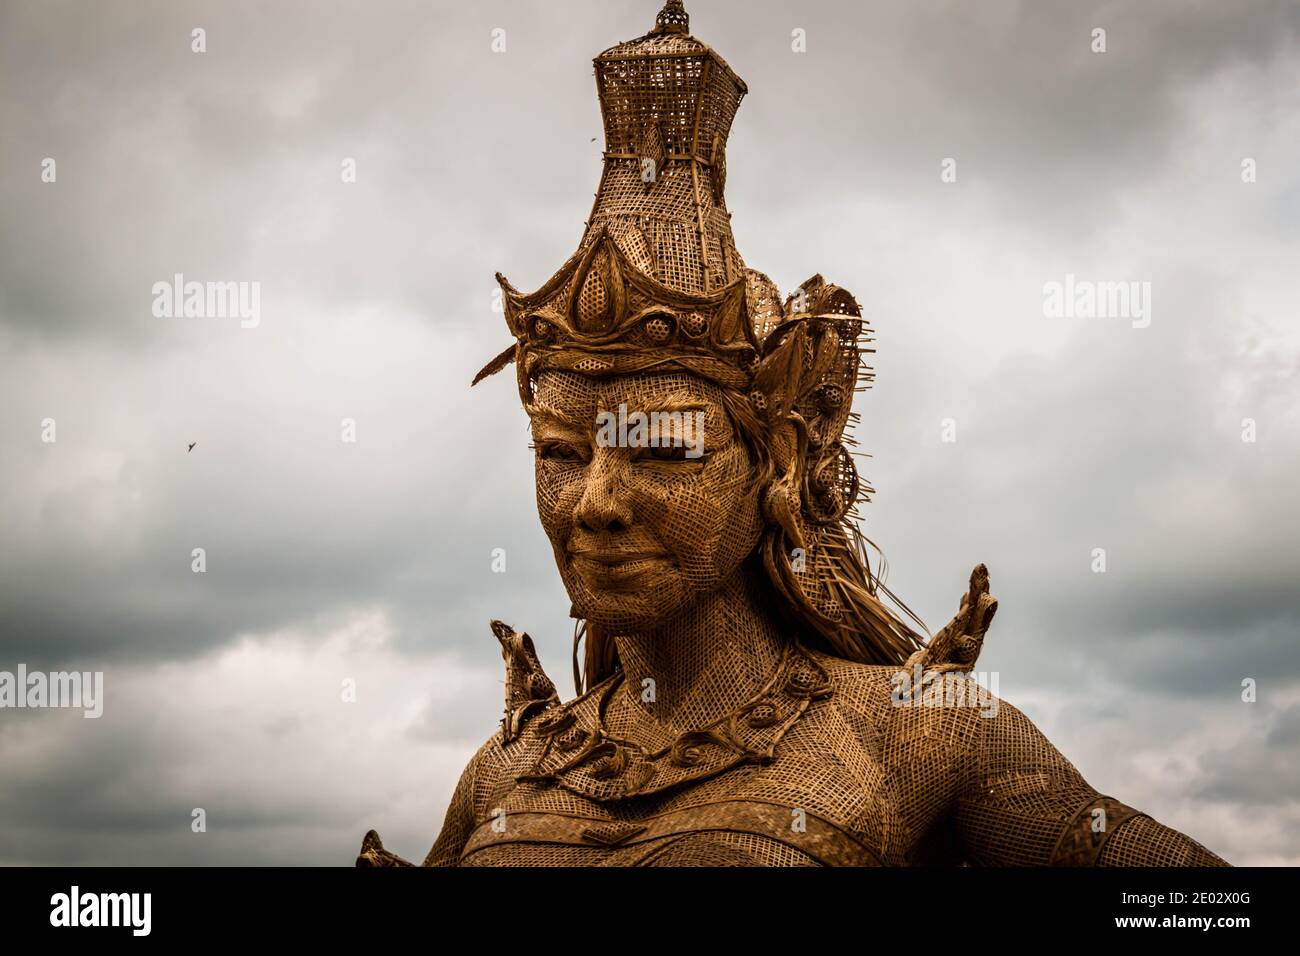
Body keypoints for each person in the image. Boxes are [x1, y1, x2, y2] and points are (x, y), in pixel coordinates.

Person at [357, 1, 1227, 867]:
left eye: (663, 450)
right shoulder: (504, 776)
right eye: (560, 453)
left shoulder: (919, 738)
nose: (596, 504)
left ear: (775, 461)